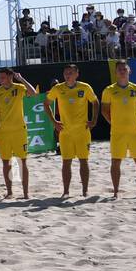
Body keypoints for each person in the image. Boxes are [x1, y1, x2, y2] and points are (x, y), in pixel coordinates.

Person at [47, 63, 99, 197]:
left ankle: (85, 190)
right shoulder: (58, 88)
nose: (67, 75)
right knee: (66, 162)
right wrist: (54, 122)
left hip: (82, 130)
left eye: (70, 73)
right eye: (66, 73)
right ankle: (66, 191)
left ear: (77, 74)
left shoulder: (85, 87)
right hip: (65, 132)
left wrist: (94, 120)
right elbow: (46, 104)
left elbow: (95, 102)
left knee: (83, 160)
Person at [0, 67, 38, 198]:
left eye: (3, 77)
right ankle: (10, 192)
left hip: (19, 131)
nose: (1, 80)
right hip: (3, 132)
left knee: (22, 161)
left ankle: (26, 193)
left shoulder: (19, 87)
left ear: (10, 76)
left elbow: (33, 93)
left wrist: (21, 79)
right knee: (6, 162)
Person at [102, 60, 136, 198]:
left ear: (129, 71)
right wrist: (113, 122)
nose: (122, 71)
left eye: (124, 69)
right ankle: (115, 192)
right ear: (115, 72)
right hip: (117, 132)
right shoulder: (109, 90)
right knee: (115, 161)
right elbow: (105, 111)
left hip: (135, 131)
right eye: (119, 69)